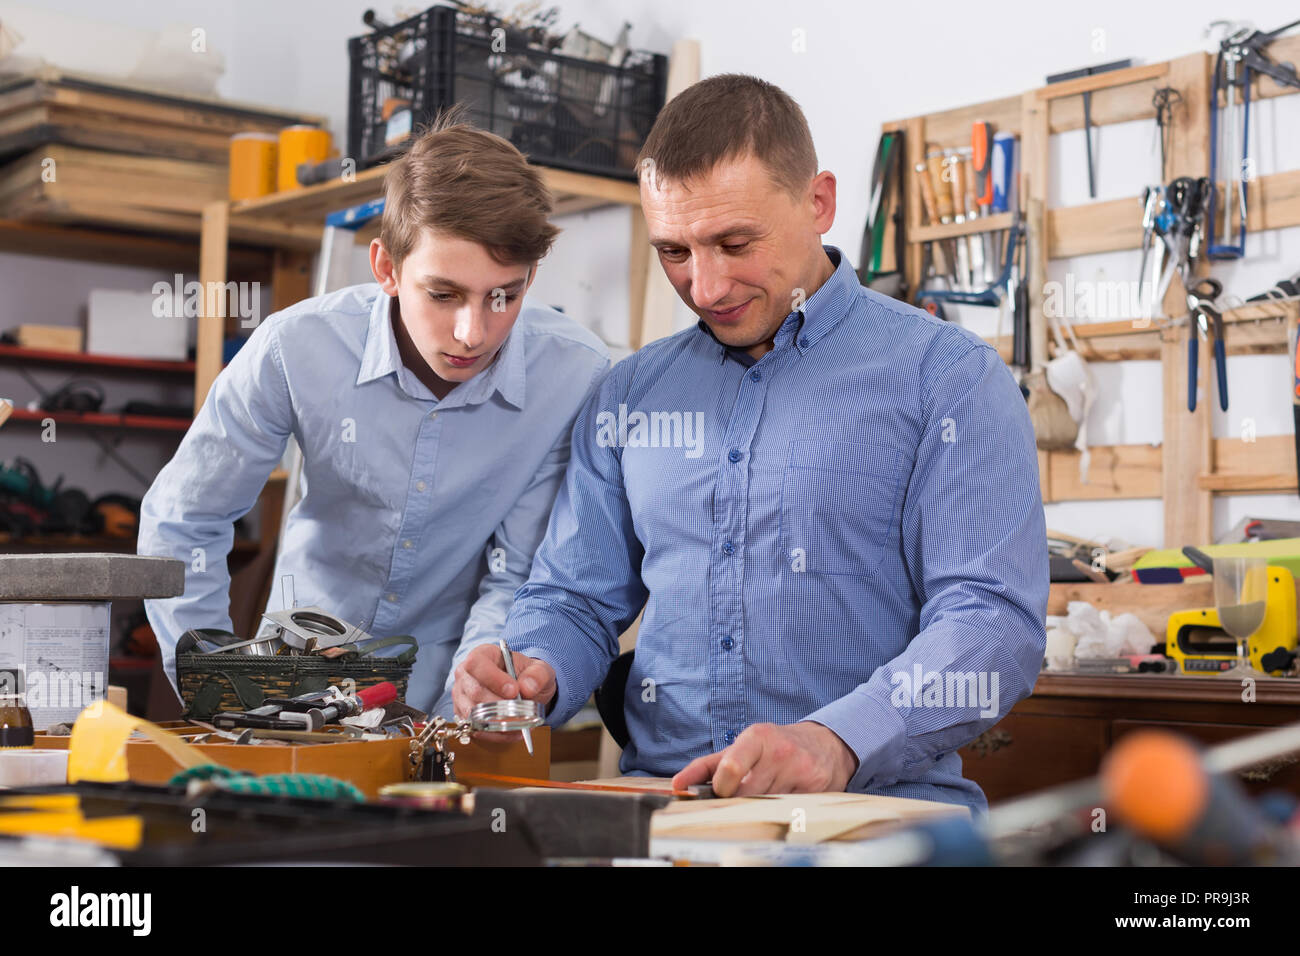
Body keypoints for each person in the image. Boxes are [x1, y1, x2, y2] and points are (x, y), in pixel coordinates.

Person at [452, 74, 1048, 813]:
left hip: (874, 813)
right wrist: (534, 668)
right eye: (674, 251)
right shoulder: (630, 394)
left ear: (818, 203)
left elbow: (992, 623)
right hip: (662, 811)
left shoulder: (947, 379)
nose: (704, 286)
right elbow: (576, 597)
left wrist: (836, 742)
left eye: (734, 242)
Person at [139, 117, 609, 714]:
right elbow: (186, 520)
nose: (473, 333)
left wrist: (472, 701)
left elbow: (518, 572)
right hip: (295, 681)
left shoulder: (573, 375)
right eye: (443, 295)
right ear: (386, 268)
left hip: (447, 693)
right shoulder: (295, 348)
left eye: (503, 296)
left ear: (531, 278)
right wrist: (214, 682)